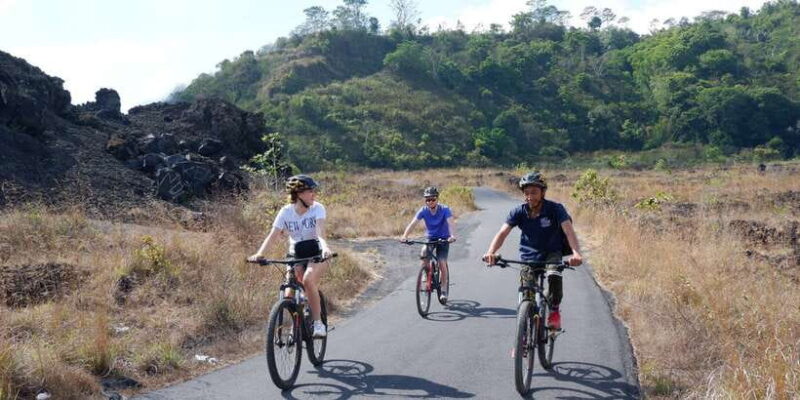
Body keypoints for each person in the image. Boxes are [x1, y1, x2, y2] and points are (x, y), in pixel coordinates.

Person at [482, 172, 583, 330]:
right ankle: (522, 336)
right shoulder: (519, 212)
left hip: (551, 253)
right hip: (528, 256)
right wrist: (491, 252)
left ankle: (554, 311)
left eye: (534, 192)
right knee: (525, 293)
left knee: (554, 275)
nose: (530, 196)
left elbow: (568, 230)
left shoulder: (555, 209)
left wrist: (576, 253)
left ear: (543, 192)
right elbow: (502, 233)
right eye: (527, 193)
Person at [248, 175, 333, 337]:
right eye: (310, 191)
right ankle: (296, 324)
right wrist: (259, 254)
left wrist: (325, 248)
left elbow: (320, 232)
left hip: (317, 253)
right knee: (288, 291)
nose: (313, 194)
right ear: (299, 194)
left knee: (308, 280)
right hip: (296, 254)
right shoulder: (286, 212)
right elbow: (273, 235)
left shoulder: (318, 208)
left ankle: (318, 323)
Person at [400, 186, 456, 303]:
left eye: (432, 199)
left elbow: (451, 223)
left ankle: (444, 289)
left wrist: (452, 236)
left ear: (437, 199)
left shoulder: (445, 209)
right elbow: (412, 223)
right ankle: (426, 273)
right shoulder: (423, 210)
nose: (430, 202)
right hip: (430, 237)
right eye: (427, 200)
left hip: (444, 238)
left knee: (441, 262)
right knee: (424, 252)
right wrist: (405, 236)